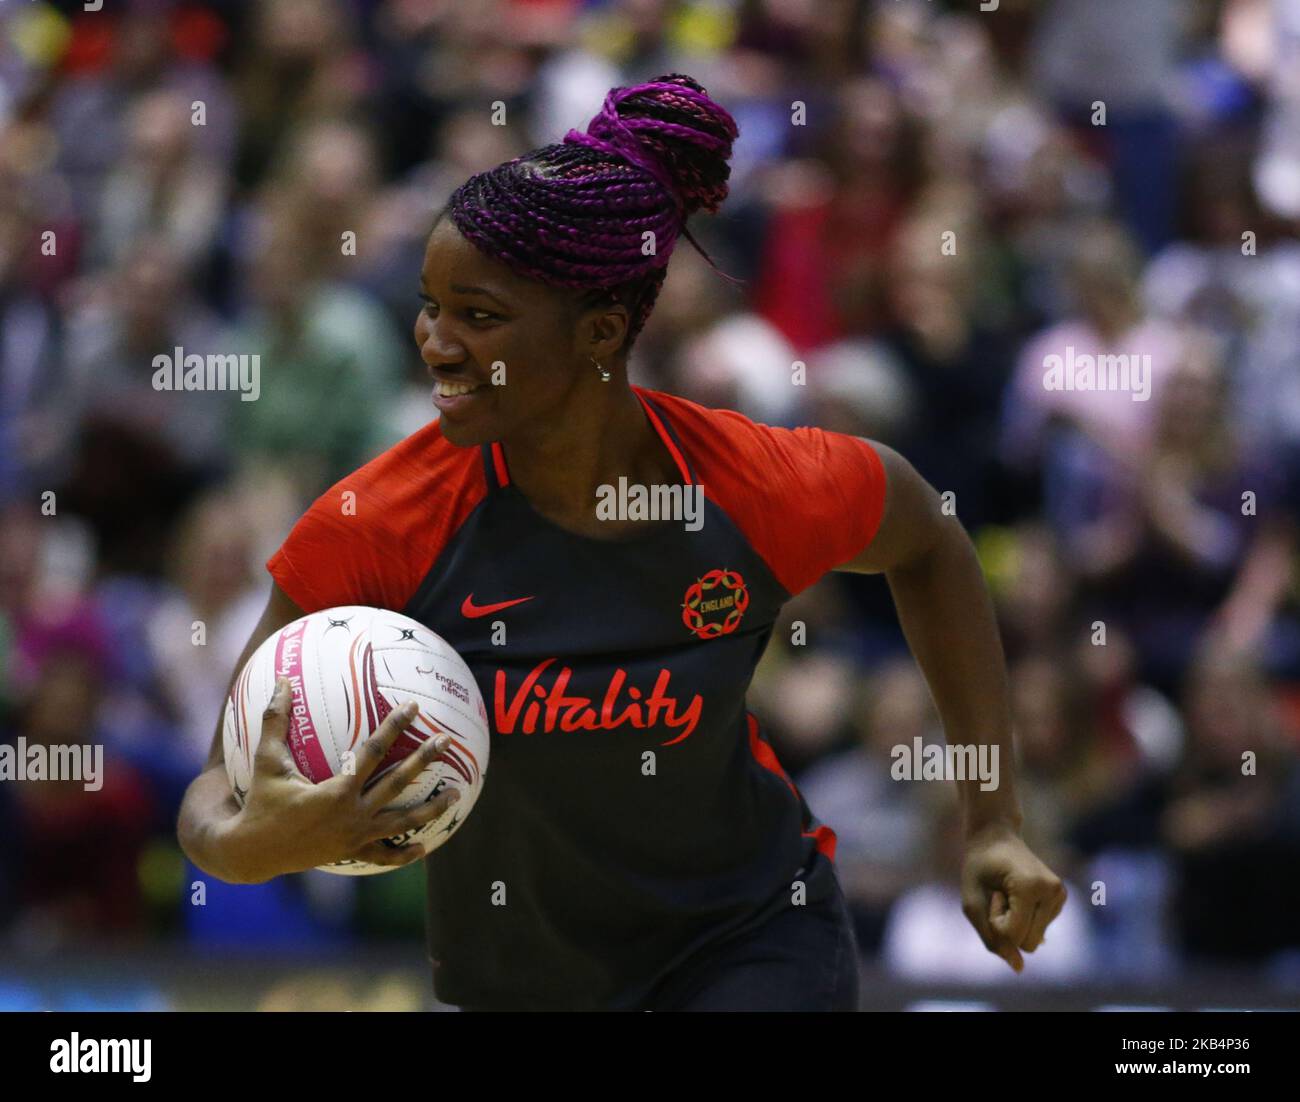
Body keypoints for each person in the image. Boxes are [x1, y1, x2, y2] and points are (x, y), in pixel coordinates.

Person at [177, 74, 1065, 1011]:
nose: (434, 343)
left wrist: (993, 819)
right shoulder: (377, 524)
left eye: (479, 316)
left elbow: (927, 541)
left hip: (749, 939)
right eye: (432, 306)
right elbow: (213, 797)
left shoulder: (745, 486)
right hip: (517, 983)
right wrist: (248, 844)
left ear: (599, 333)